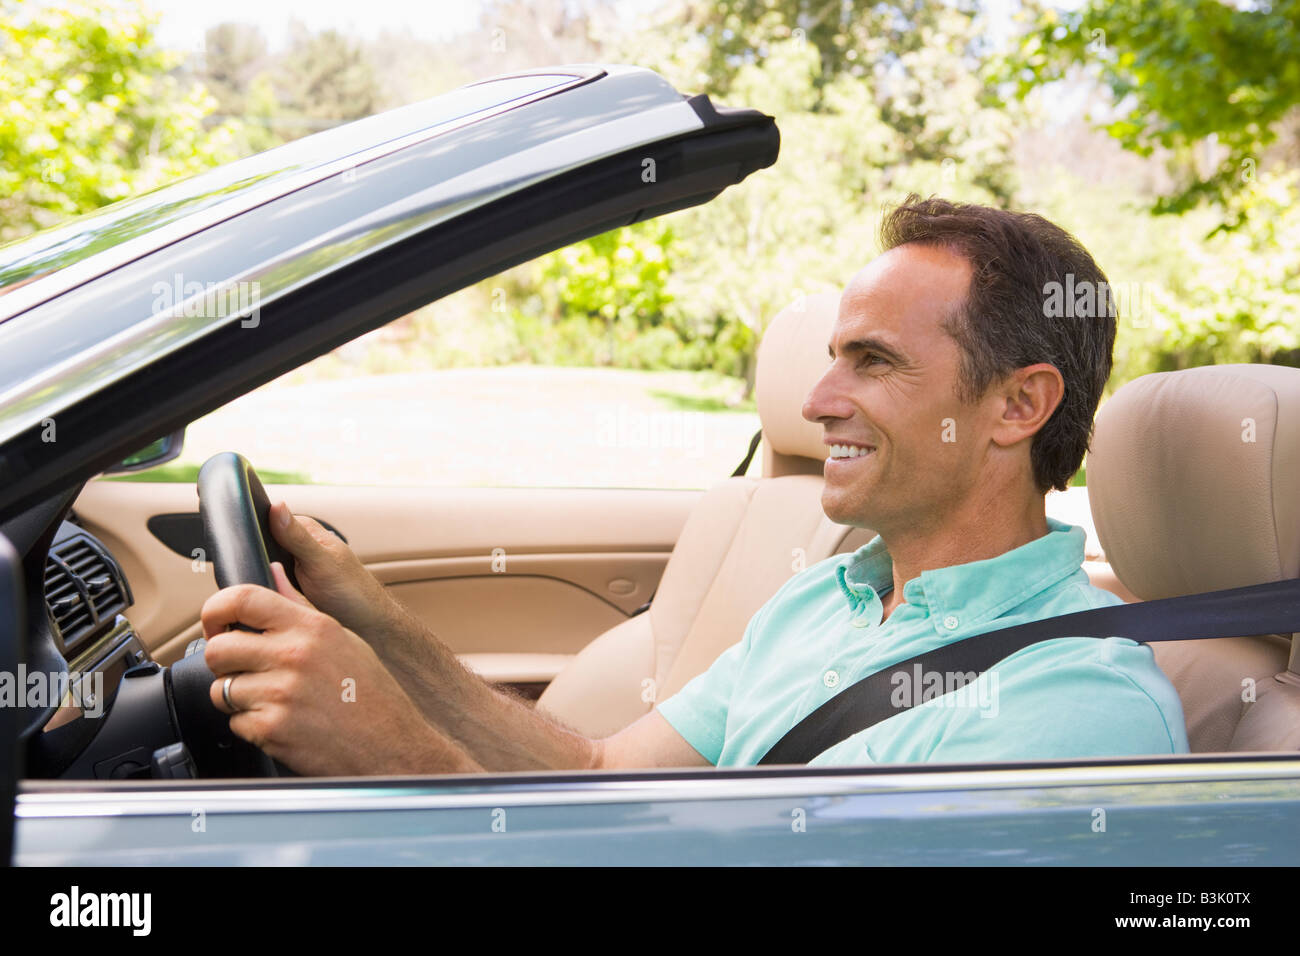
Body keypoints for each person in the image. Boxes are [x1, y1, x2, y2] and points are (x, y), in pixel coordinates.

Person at [201, 195, 1189, 775]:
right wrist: (378, 627)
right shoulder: (828, 598)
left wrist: (395, 753)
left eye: (874, 362)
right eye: (832, 357)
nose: (816, 397)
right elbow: (600, 778)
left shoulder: (1077, 708)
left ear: (1016, 407)